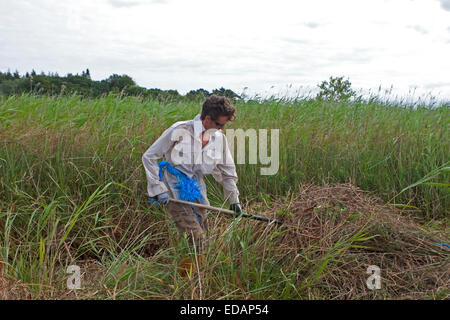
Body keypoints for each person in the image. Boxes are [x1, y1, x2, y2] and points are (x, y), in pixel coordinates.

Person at [142, 94, 242, 243]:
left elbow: (227, 172)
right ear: (207, 119)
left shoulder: (219, 139)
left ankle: (192, 265)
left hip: (197, 190)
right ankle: (196, 265)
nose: (222, 128)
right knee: (197, 239)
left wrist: (234, 201)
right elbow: (149, 156)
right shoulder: (180, 130)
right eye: (219, 125)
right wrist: (157, 189)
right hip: (173, 188)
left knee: (205, 235)